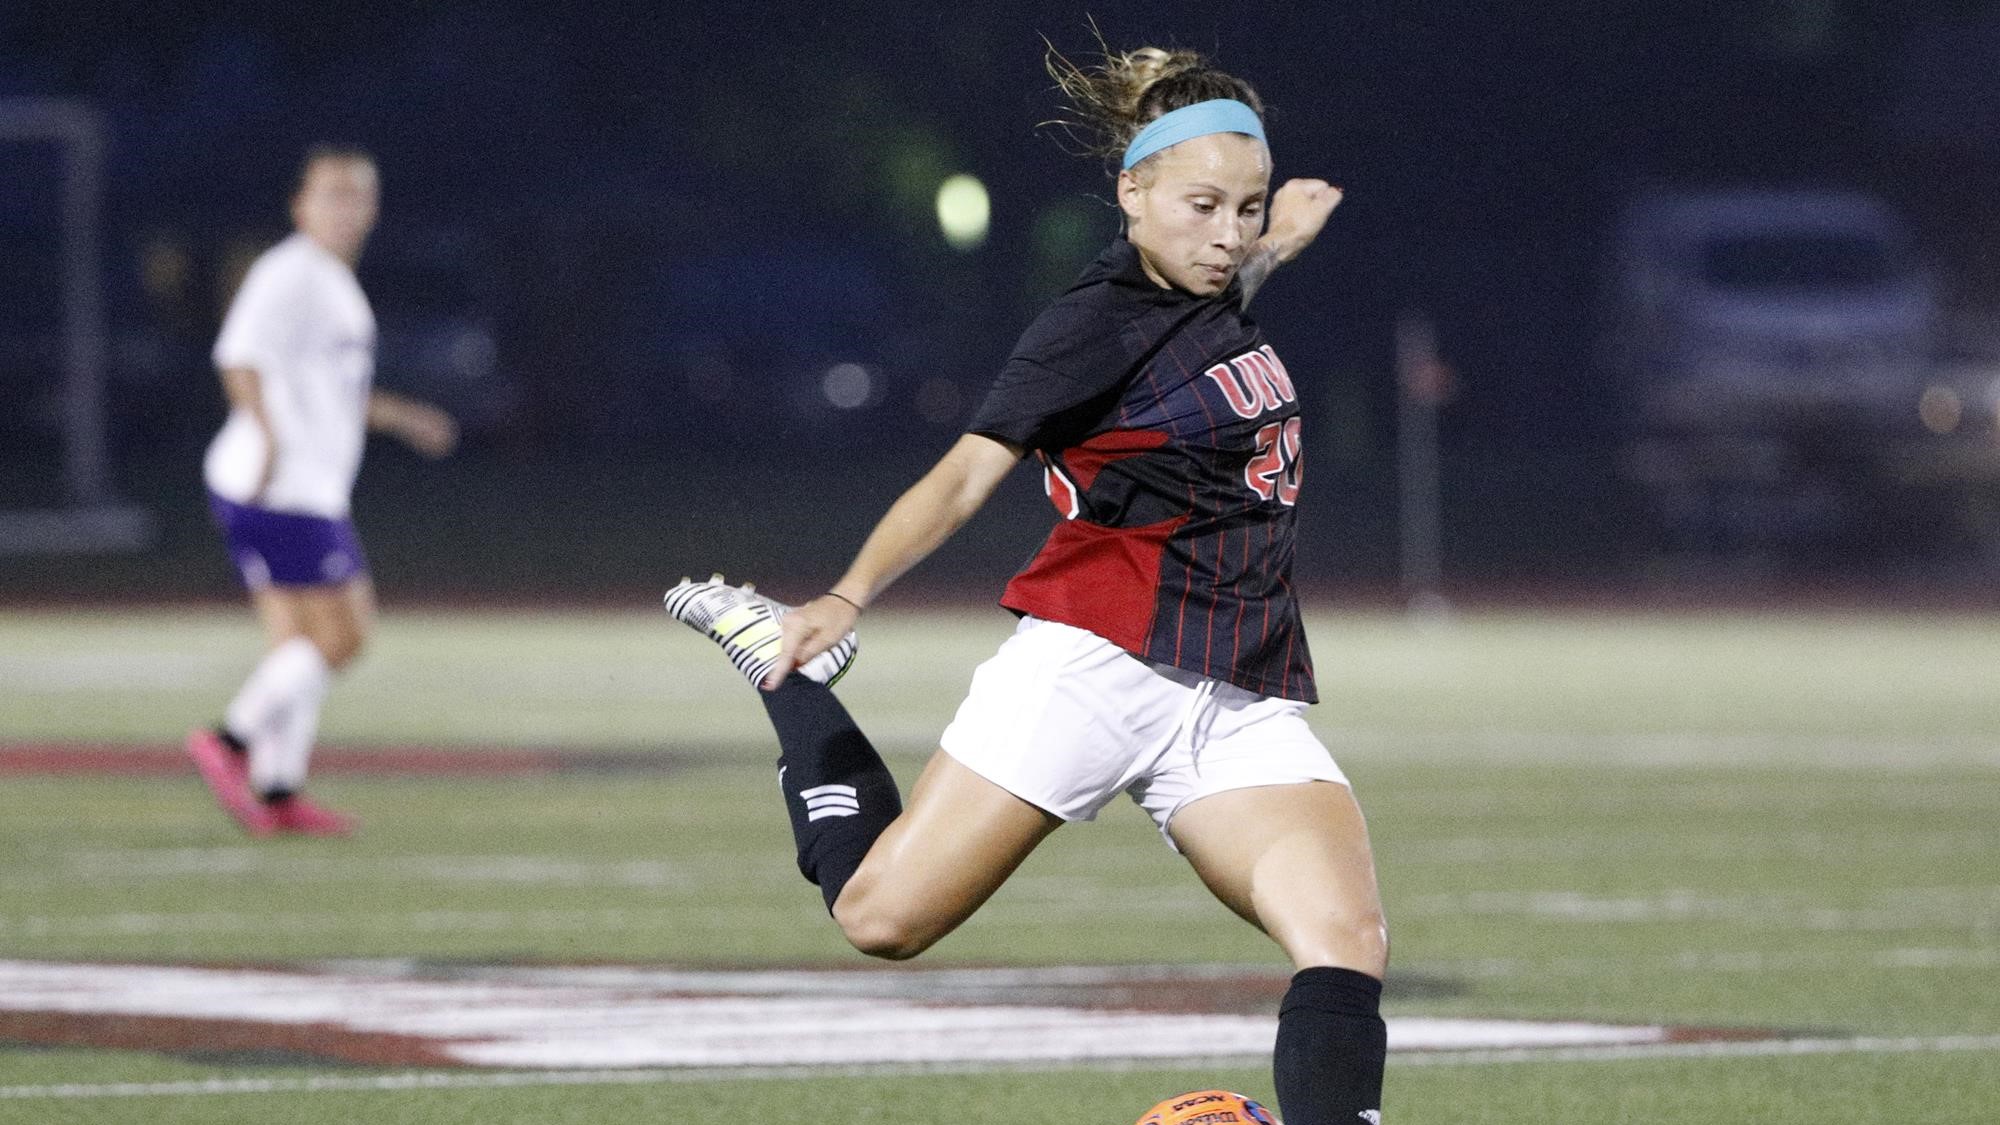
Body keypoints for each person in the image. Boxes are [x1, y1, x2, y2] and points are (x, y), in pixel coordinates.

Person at [663, 45, 1384, 1125]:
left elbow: (1221, 288)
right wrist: (847, 596)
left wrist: (1280, 239)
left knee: (1343, 941)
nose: (1226, 231)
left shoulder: (1209, 276)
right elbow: (961, 478)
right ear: (1130, 194)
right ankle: (781, 672)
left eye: (1243, 206)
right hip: (1096, 663)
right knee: (880, 918)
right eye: (1202, 205)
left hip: (1232, 684)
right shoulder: (1083, 327)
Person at [186, 146, 458, 838]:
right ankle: (231, 740)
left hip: (290, 484)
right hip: (284, 487)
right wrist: (268, 434)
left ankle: (279, 790)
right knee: (346, 635)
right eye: (332, 193)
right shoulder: (290, 271)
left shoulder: (331, 282)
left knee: (296, 646)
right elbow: (238, 355)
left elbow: (336, 391)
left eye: (359, 195)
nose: (347, 208)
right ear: (300, 203)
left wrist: (405, 418)